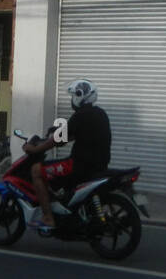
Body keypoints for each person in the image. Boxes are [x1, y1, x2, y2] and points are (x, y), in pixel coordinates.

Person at [23, 79, 111, 231]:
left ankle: (48, 218)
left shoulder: (80, 116)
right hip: (99, 165)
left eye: (73, 96)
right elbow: (75, 136)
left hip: (79, 165)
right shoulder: (100, 113)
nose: (71, 100)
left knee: (36, 171)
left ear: (80, 95)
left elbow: (57, 140)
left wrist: (35, 150)